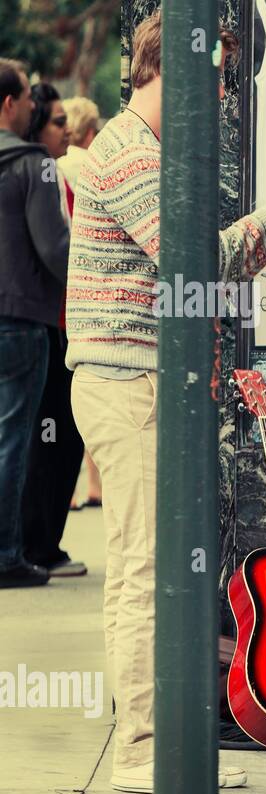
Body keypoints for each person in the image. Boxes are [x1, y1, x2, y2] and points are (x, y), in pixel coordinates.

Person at [64, 10, 266, 794]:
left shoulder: (149, 149)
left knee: (168, 569)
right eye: (210, 78)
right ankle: (142, 752)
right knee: (144, 571)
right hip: (128, 385)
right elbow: (196, 263)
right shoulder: (132, 153)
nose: (217, 94)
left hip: (147, 385)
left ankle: (171, 748)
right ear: (164, 70)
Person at [0, 59, 68, 589]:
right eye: (26, 97)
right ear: (8, 104)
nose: (31, 106)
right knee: (13, 440)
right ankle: (7, 554)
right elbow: (56, 251)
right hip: (20, 320)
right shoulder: (35, 164)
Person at [21, 82, 86, 578]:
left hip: (48, 322)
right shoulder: (42, 171)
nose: (67, 131)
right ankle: (38, 545)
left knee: (46, 439)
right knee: (51, 440)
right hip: (49, 322)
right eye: (58, 121)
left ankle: (38, 543)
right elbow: (56, 249)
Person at [59, 95, 103, 510]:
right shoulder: (87, 166)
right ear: (91, 132)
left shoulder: (54, 166)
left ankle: (85, 487)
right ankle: (92, 485)